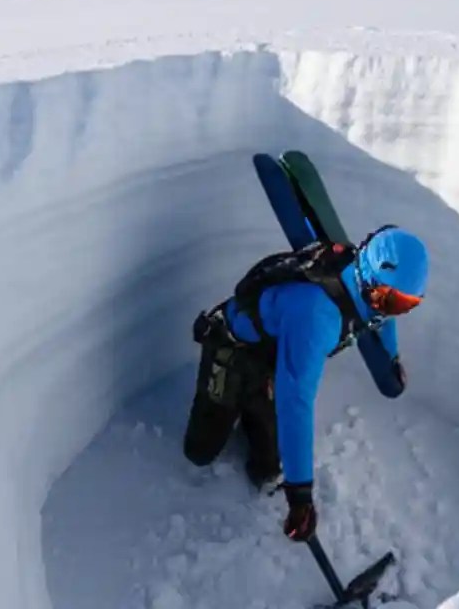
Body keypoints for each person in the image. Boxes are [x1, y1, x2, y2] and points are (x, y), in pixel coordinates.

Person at [183, 226, 429, 542]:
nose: (393, 308)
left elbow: (380, 319)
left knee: (268, 469)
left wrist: (392, 358)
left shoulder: (370, 295)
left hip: (276, 357)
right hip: (232, 351)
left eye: (407, 304)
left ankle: (252, 410)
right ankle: (236, 408)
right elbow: (295, 403)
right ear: (370, 279)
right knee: (200, 452)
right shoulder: (318, 316)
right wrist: (300, 495)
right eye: (391, 299)